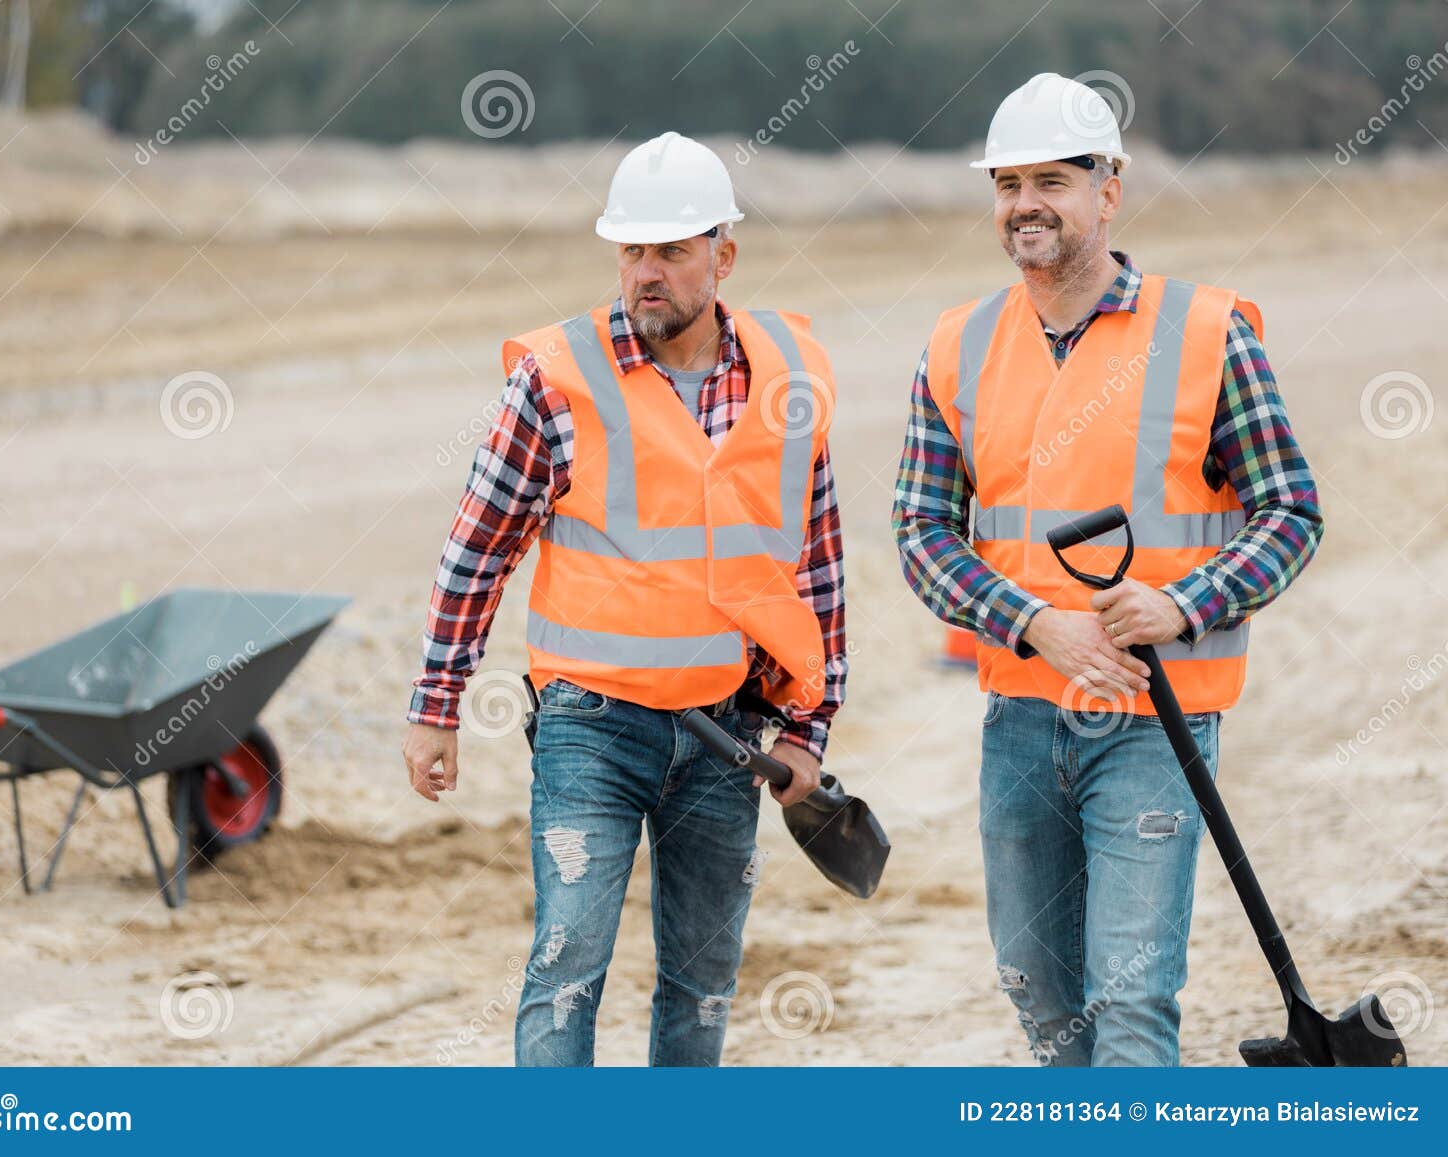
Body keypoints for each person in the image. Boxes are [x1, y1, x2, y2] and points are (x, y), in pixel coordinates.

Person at [892, 74, 1323, 1065]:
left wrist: (1181, 602)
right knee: (1045, 1002)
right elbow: (921, 530)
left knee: (1130, 1002)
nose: (1023, 204)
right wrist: (1035, 623)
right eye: (1006, 183)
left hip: (1152, 724)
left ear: (1109, 189)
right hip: (1018, 717)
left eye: (1050, 178)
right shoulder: (958, 345)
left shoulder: (1208, 334)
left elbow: (1291, 507)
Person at [403, 131, 847, 1066]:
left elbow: (816, 565)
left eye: (672, 250)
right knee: (565, 970)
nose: (647, 272)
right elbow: (476, 552)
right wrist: (435, 707)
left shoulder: (786, 378)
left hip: (730, 731)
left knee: (702, 985)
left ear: (722, 257)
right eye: (632, 249)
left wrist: (810, 723)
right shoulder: (556, 380)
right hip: (591, 729)